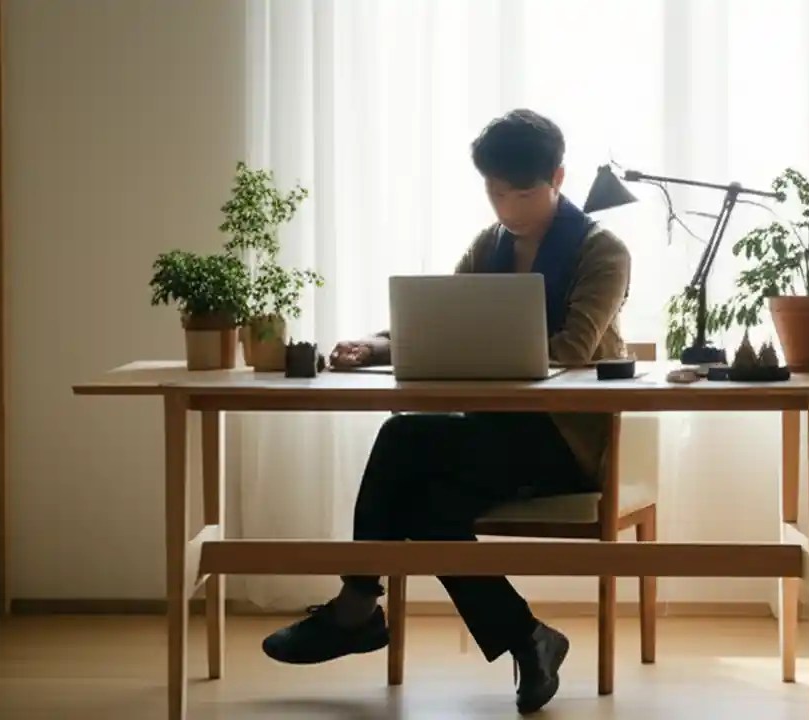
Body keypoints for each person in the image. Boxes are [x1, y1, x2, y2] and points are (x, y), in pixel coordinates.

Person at [261, 108, 632, 714]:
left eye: (520, 193)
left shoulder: (601, 249)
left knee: (402, 439)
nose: (506, 207)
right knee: (422, 506)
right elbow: (441, 320)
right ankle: (529, 639)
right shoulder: (488, 246)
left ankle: (356, 606)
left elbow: (571, 349)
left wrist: (478, 349)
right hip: (492, 435)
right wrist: (377, 344)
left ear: (557, 177)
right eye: (493, 192)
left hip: (563, 440)